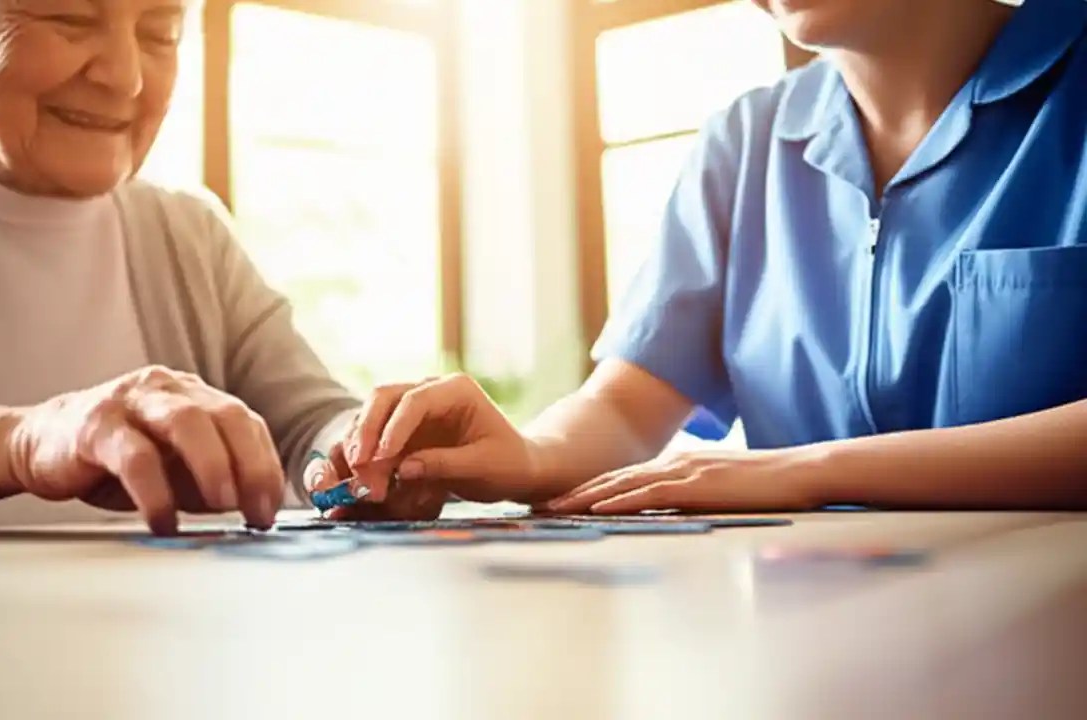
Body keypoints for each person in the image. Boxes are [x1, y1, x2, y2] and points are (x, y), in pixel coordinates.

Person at [313, 0, 1087, 519]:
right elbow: (626, 406)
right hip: (817, 647)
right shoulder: (743, 145)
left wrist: (808, 471)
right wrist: (527, 453)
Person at [0, 0, 359, 535]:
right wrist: (22, 442)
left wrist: (368, 460)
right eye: (68, 18)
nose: (125, 79)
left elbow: (309, 433)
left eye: (159, 32)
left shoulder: (193, 232)